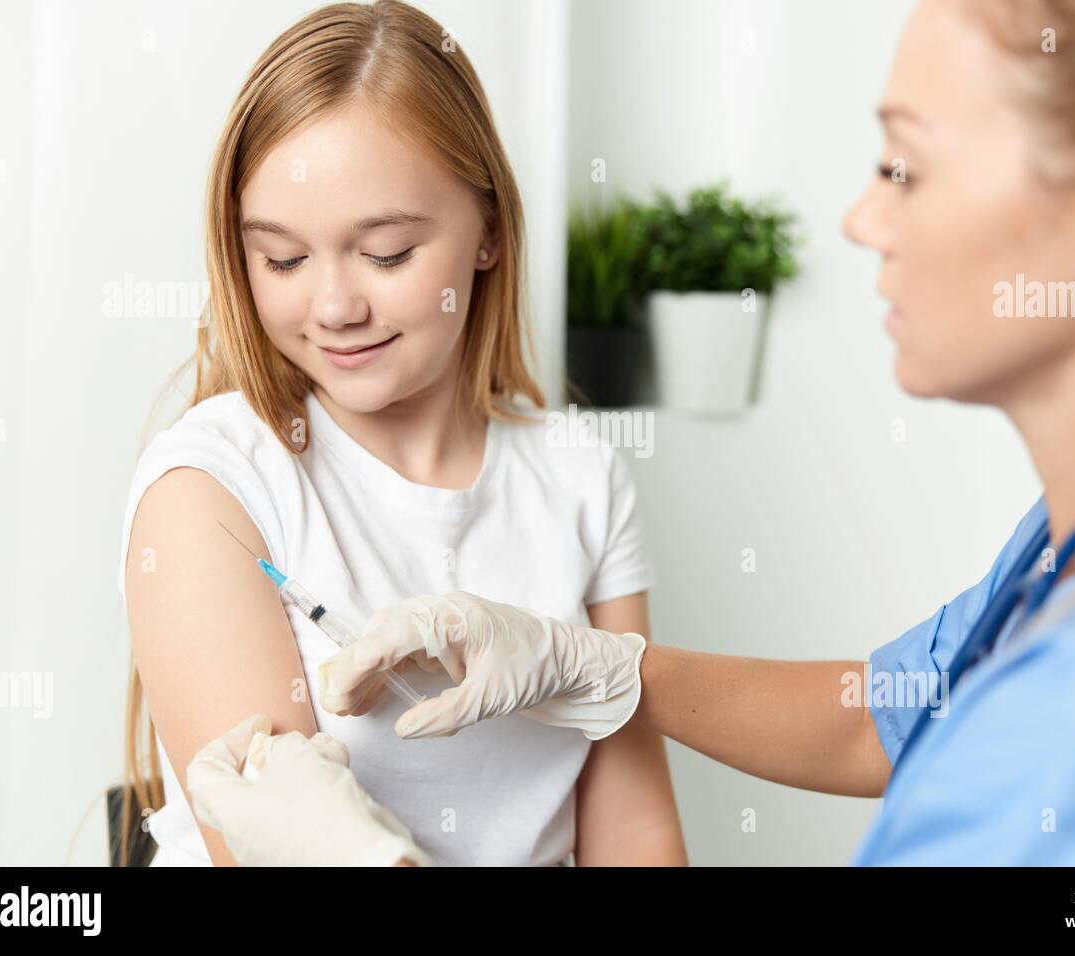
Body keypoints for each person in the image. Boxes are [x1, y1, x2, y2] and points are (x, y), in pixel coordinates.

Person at [189, 0, 1075, 866]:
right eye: (282, 257)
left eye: (903, 167)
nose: (858, 219)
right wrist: (598, 667)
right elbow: (888, 710)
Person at [120, 0, 686, 867]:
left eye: (385, 253)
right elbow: (271, 847)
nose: (337, 307)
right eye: (282, 259)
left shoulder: (580, 475)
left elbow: (638, 842)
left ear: (489, 230)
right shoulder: (214, 488)